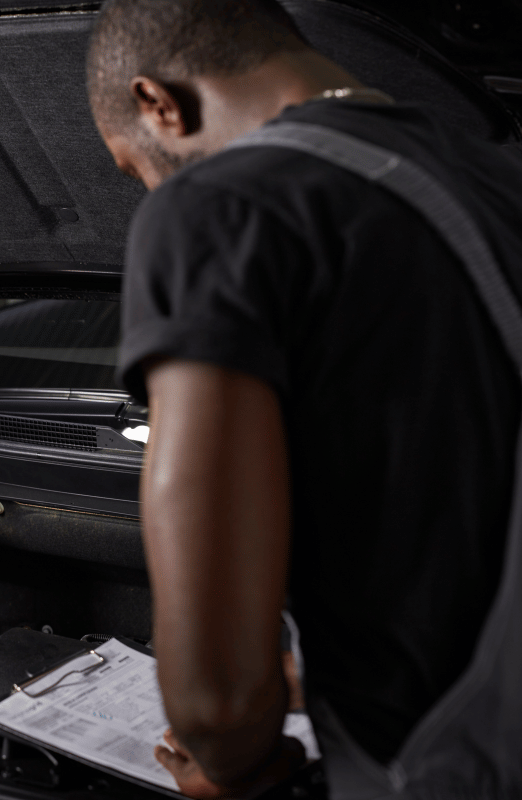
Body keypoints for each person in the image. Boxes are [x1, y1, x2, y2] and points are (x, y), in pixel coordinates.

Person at [86, 0, 522, 796]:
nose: (150, 192)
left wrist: (241, 765)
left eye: (135, 169)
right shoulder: (497, 177)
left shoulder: (219, 205)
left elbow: (215, 706)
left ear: (158, 103)